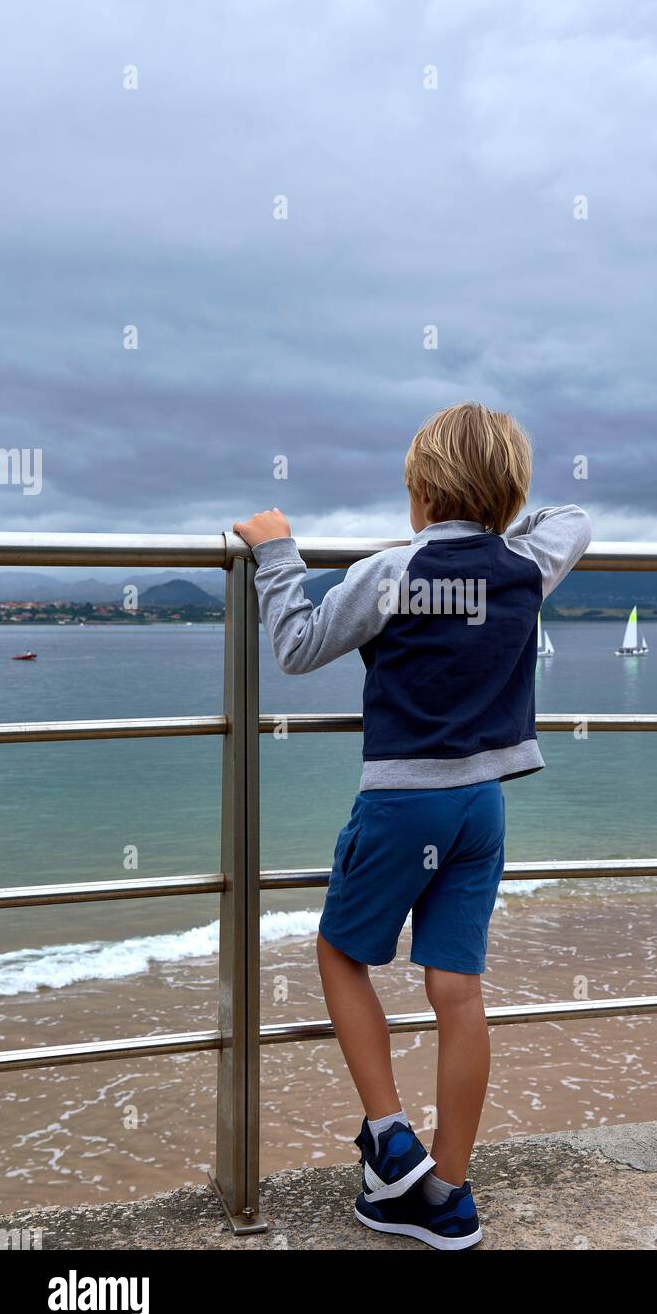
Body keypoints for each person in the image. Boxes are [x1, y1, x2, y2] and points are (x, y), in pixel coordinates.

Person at [234, 401, 591, 1249]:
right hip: (483, 803)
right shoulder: (522, 564)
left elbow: (295, 644)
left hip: (402, 803)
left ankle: (391, 1143)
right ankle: (450, 1196)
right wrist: (501, 517)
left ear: (418, 491)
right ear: (506, 494)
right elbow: (570, 520)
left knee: (339, 951)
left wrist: (276, 550)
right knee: (456, 991)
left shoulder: (387, 573)